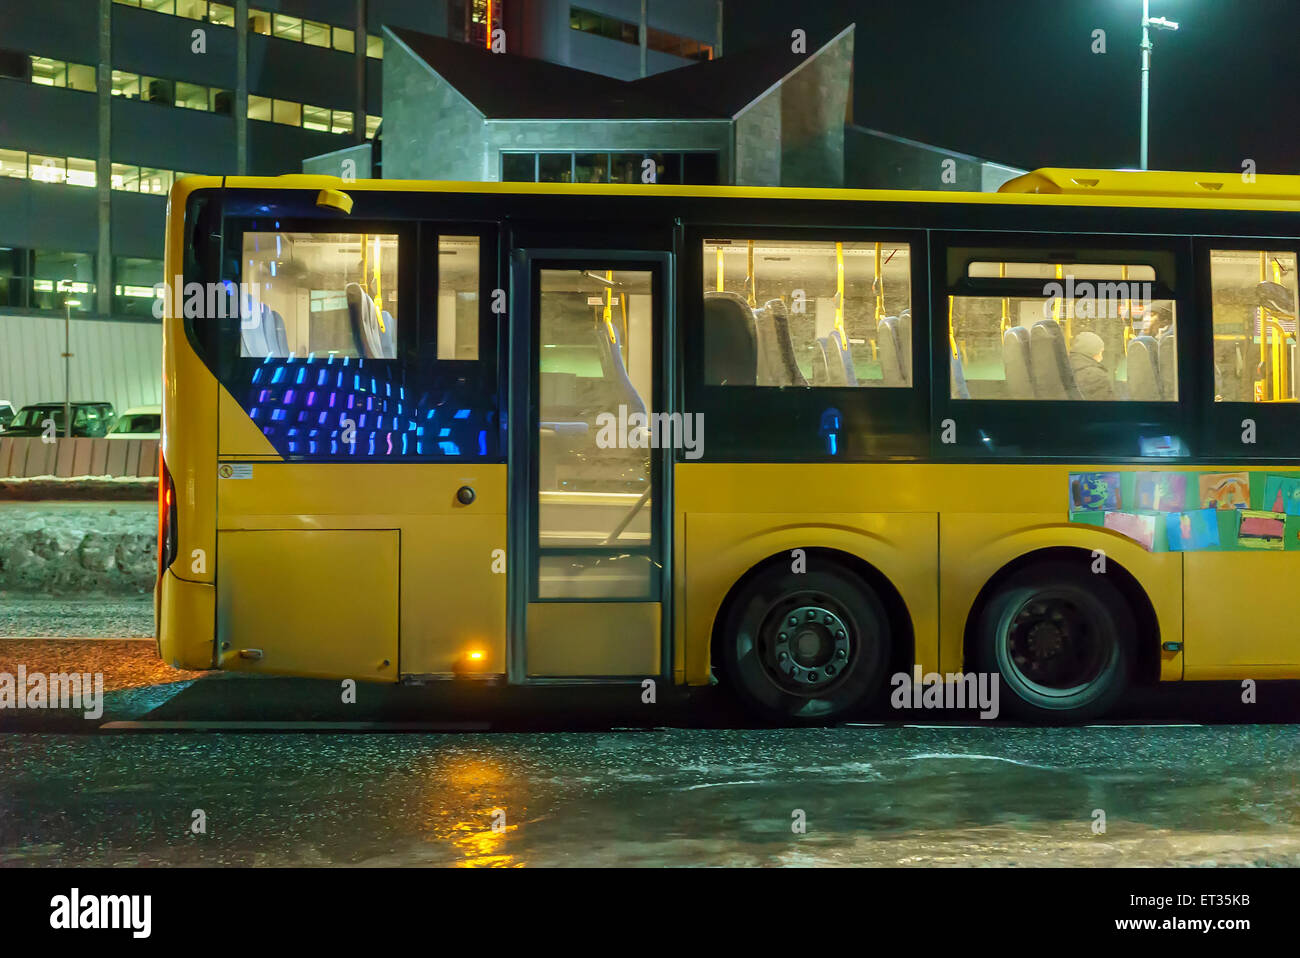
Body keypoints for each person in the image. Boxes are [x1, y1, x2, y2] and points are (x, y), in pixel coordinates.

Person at [1069, 330, 1115, 400]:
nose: (1101, 358)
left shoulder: (1063, 368)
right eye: (1100, 352)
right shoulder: (1097, 377)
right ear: (1091, 352)